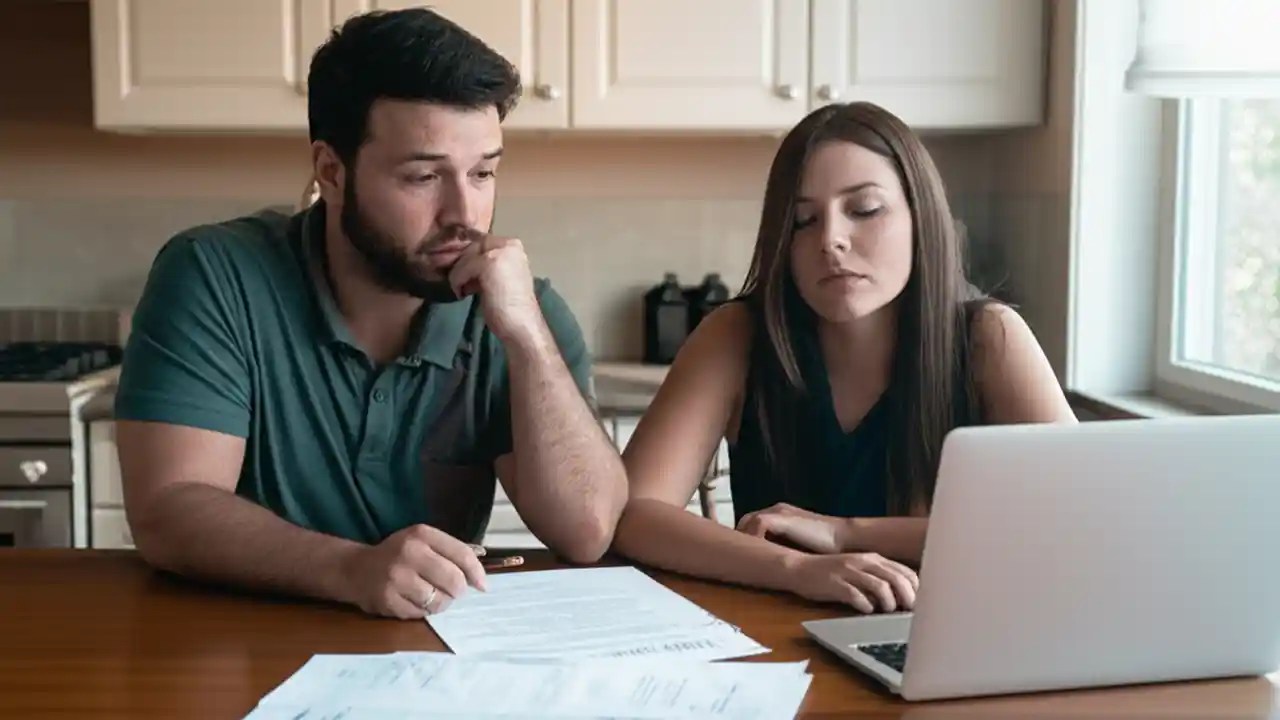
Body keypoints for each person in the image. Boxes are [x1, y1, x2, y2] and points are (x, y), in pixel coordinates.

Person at [113, 8, 627, 619]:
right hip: (236, 643)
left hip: (430, 660)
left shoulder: (525, 311)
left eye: (484, 172)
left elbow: (587, 530)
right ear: (332, 171)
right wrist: (351, 569)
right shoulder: (215, 274)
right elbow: (170, 509)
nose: (464, 213)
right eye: (423, 176)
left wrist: (527, 340)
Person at [612, 102, 1077, 614]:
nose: (831, 240)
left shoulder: (990, 338)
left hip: (951, 638)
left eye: (865, 210)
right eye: (803, 221)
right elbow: (635, 514)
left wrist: (843, 534)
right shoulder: (735, 335)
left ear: (921, 217)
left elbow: (1074, 522)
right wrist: (798, 569)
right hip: (772, 644)